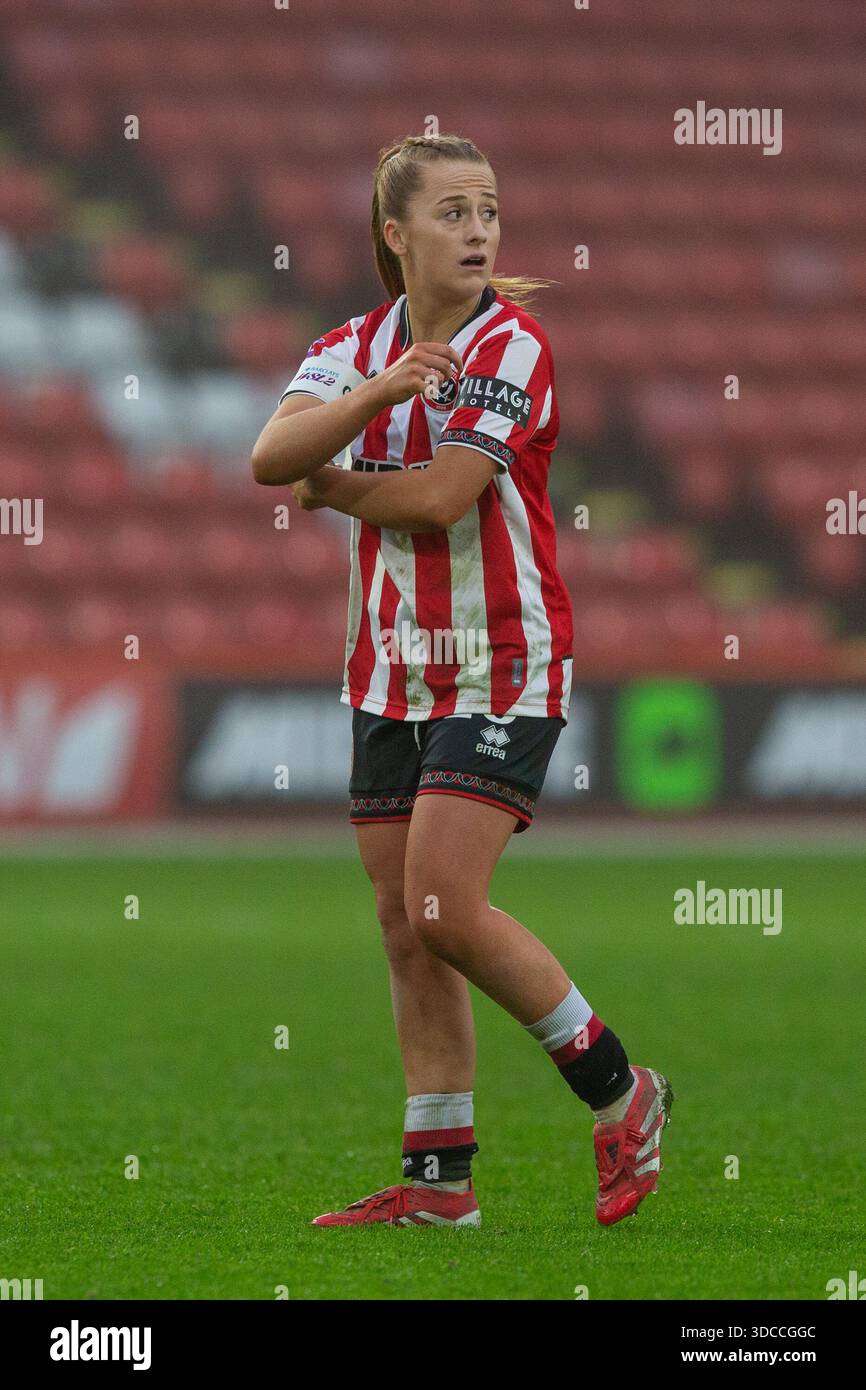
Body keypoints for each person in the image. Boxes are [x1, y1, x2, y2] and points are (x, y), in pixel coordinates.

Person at [251, 134, 672, 1228]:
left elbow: (438, 498)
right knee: (402, 922)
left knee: (443, 903)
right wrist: (375, 394)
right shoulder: (352, 345)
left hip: (500, 663)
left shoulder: (513, 346)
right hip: (385, 670)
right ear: (395, 235)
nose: (479, 230)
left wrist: (334, 484)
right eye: (453, 212)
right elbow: (266, 454)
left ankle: (621, 1087)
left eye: (488, 210)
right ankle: (439, 1185)